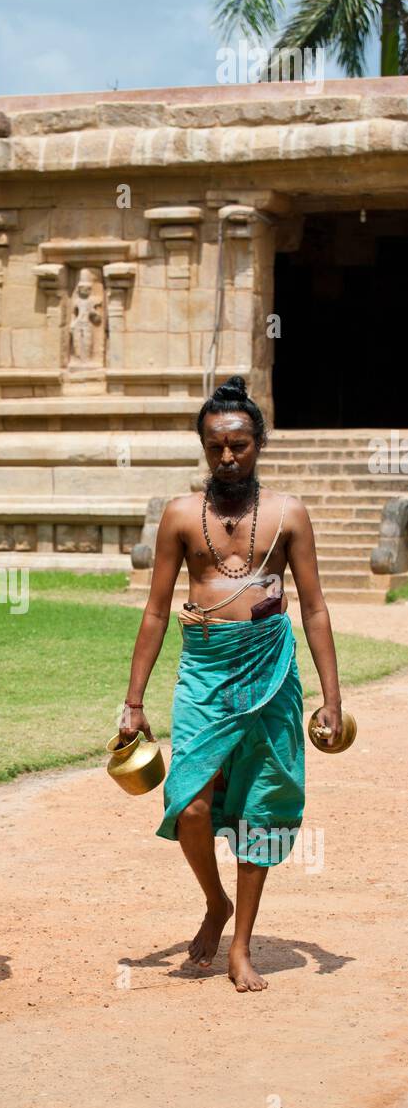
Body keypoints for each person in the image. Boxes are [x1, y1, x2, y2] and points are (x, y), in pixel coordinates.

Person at [120, 376, 343, 993]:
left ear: (258, 444)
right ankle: (214, 903)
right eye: (216, 447)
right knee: (189, 804)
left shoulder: (287, 513)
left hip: (272, 669)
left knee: (260, 805)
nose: (227, 457)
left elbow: (316, 606)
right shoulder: (179, 515)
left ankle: (241, 942)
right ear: (203, 447)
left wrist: (332, 695)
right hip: (205, 670)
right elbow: (157, 611)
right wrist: (133, 701)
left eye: (239, 445)